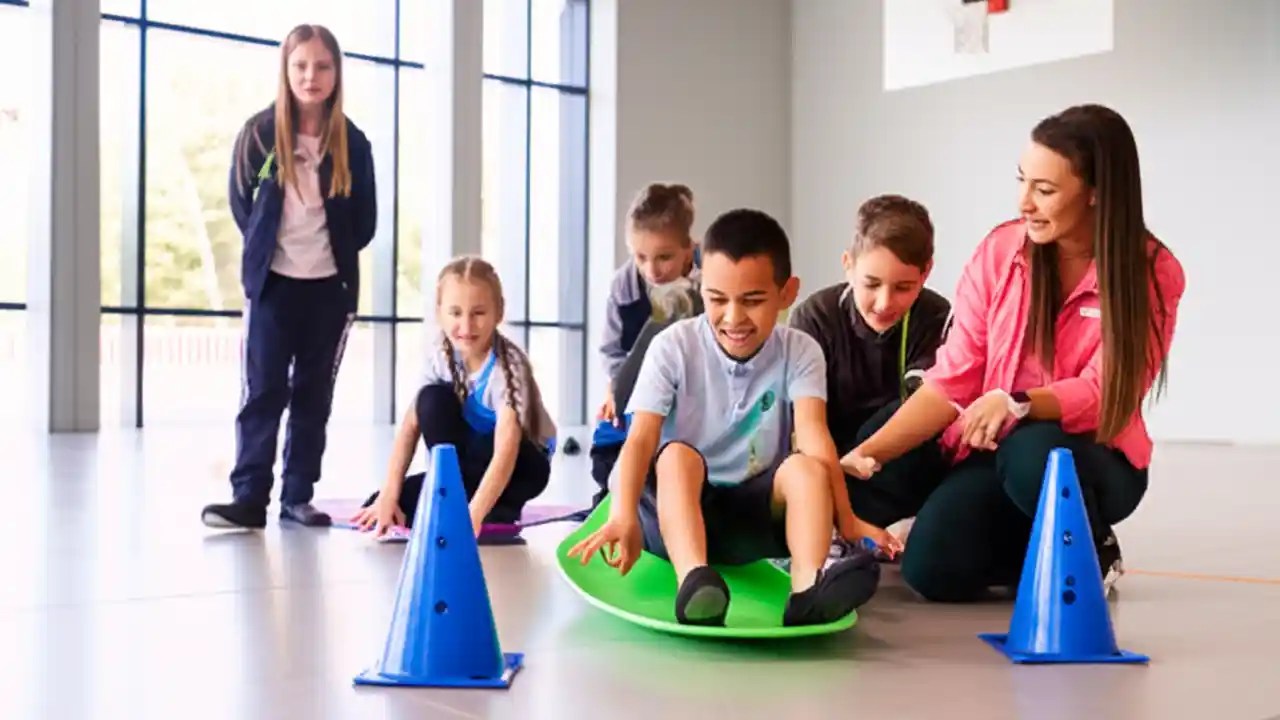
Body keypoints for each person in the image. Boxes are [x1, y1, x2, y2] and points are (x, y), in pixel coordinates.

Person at [842, 104, 1186, 602]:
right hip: (992, 447)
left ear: (1096, 194)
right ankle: (1030, 537)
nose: (1024, 202)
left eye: (1044, 190)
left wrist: (1018, 400)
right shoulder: (1001, 251)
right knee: (893, 492)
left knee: (1031, 453)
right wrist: (863, 455)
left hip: (1090, 458)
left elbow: (1103, 392)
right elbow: (955, 378)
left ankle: (1090, 542)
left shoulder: (1152, 272)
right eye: (1022, 181)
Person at [568, 208, 900, 628]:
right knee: (675, 457)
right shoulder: (673, 346)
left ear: (787, 293)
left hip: (752, 520)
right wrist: (622, 514)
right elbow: (640, 440)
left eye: (753, 301)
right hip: (678, 517)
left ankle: (807, 589)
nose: (733, 317)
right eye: (717, 299)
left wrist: (848, 521)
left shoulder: (800, 351)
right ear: (700, 285)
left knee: (806, 468)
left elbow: (815, 437)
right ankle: (695, 583)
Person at [202, 24, 377, 529]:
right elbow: (243, 205)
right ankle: (250, 498)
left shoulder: (354, 143)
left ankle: (298, 496)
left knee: (313, 396)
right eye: (301, 65)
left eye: (322, 66)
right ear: (286, 70)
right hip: (272, 286)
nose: (311, 76)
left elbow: (364, 222)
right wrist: (266, 254)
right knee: (262, 392)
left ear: (336, 73)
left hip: (330, 288)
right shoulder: (260, 133)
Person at [353, 256, 556, 537]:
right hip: (469, 464)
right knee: (431, 401)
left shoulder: (507, 368)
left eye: (478, 313)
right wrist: (389, 494)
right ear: (439, 313)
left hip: (522, 465)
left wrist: (474, 514)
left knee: (491, 488)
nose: (466, 325)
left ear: (499, 312)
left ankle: (496, 504)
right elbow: (411, 427)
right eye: (456, 313)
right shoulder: (439, 355)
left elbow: (507, 450)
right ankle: (456, 495)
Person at [789, 195, 951, 539]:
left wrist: (869, 452)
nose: (884, 303)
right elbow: (800, 421)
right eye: (871, 284)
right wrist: (835, 465)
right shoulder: (814, 317)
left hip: (897, 461)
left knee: (910, 415)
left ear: (926, 272)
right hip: (831, 460)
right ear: (848, 264)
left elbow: (929, 410)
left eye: (903, 288)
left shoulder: (936, 316)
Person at [589, 183, 704, 507]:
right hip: (636, 381)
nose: (652, 269)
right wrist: (613, 387)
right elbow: (612, 350)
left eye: (664, 257)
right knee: (612, 425)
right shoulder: (624, 285)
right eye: (641, 257)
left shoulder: (709, 279)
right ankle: (612, 489)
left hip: (692, 384)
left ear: (688, 248)